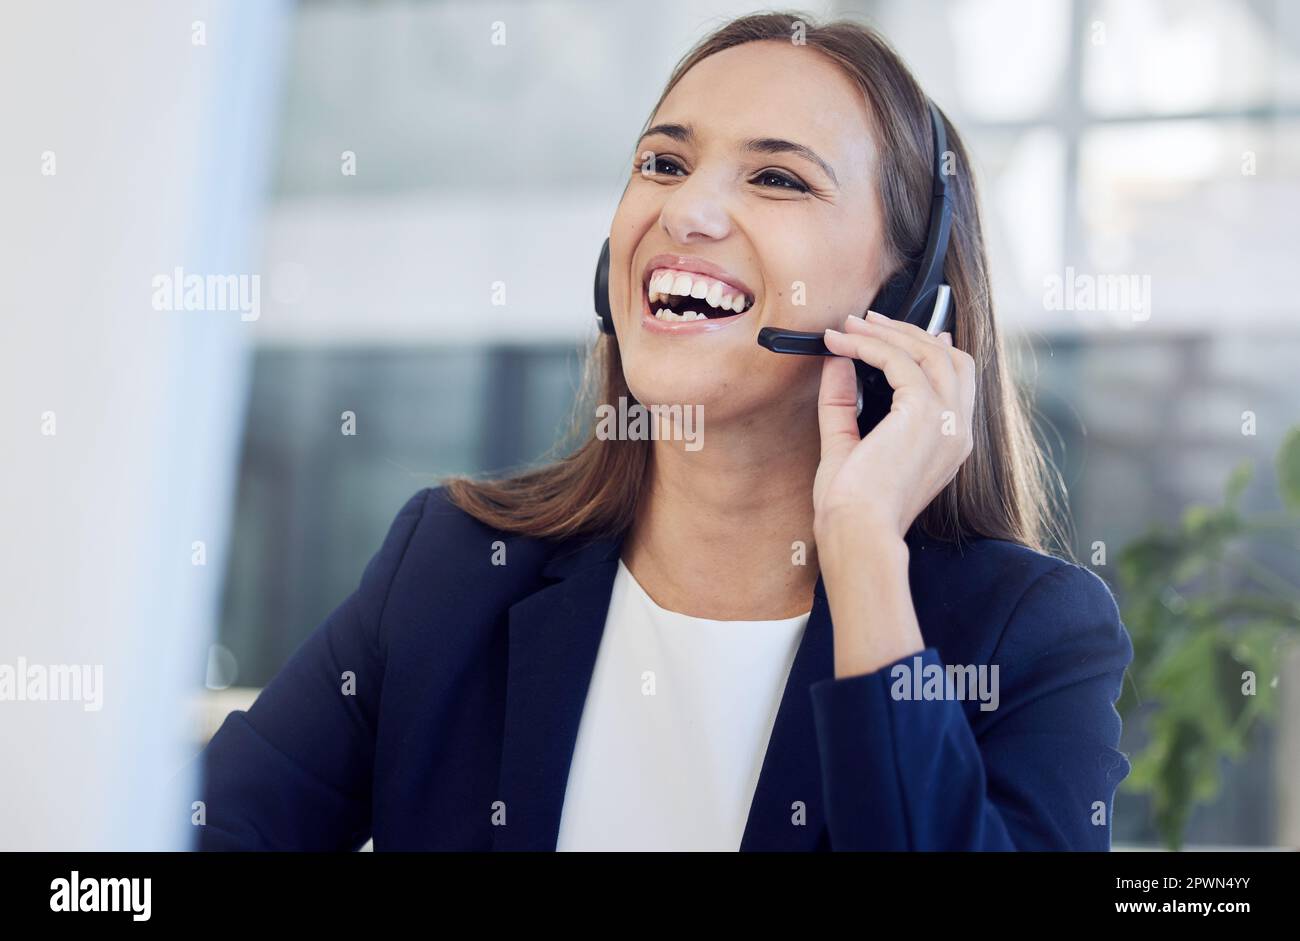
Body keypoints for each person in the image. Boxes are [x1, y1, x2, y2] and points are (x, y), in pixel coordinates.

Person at [196, 11, 1132, 851]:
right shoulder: (449, 568)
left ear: (907, 303)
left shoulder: (1029, 637)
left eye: (777, 177)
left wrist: (863, 553)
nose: (684, 210)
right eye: (664, 163)